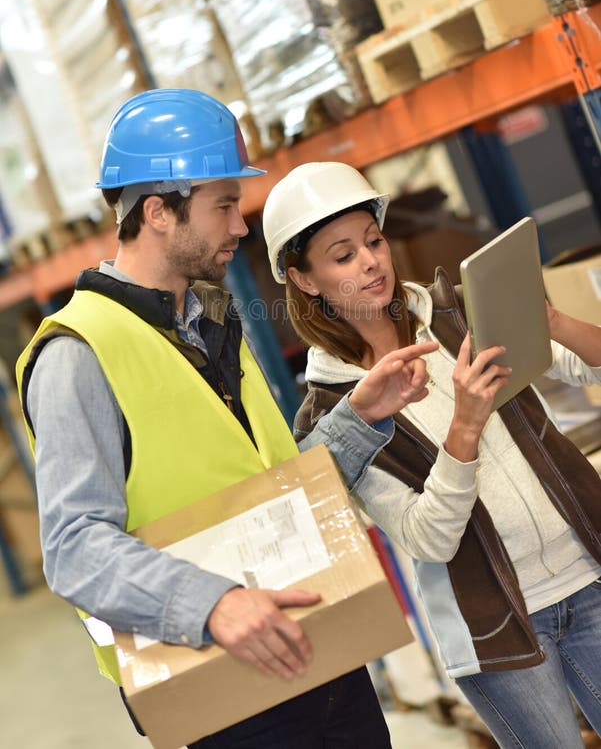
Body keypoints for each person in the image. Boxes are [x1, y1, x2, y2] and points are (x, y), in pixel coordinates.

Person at [15, 90, 436, 749]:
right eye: (222, 205)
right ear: (158, 212)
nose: (240, 226)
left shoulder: (214, 321)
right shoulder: (77, 355)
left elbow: (267, 490)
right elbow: (73, 550)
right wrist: (210, 603)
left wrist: (359, 416)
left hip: (313, 648)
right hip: (219, 683)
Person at [262, 160, 601, 749]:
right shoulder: (332, 418)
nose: (370, 262)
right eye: (343, 256)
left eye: (373, 242)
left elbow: (591, 366)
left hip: (588, 574)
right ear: (304, 279)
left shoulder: (461, 314)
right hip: (494, 630)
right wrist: (466, 423)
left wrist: (548, 318)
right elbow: (428, 539)